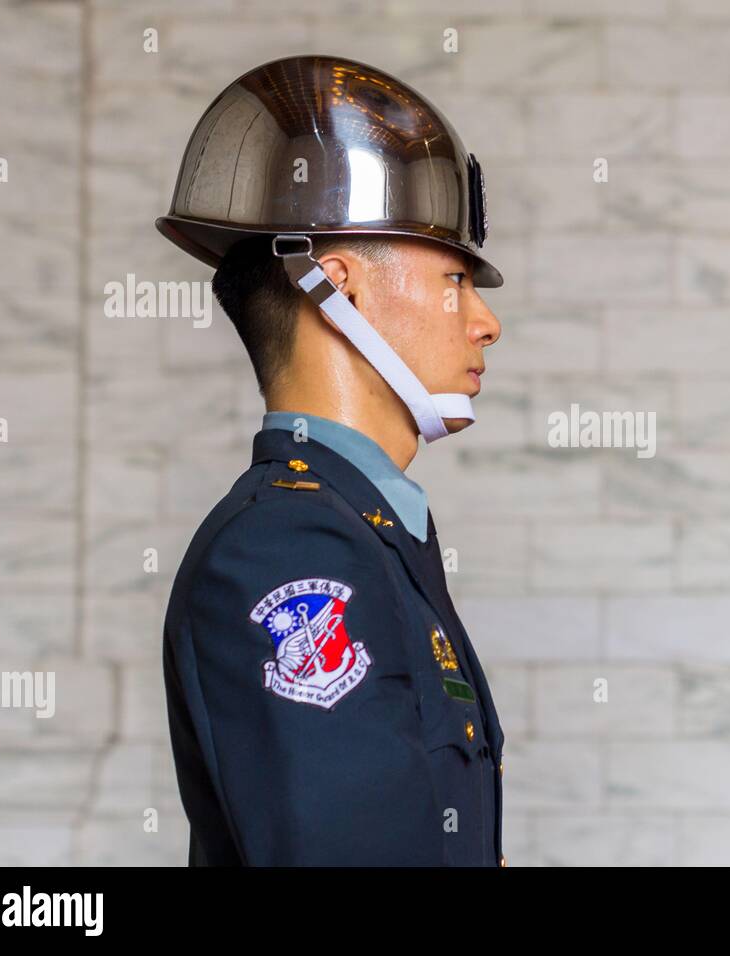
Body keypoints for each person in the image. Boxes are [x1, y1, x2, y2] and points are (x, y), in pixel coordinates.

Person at [156, 55, 506, 866]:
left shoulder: (363, 529)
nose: (486, 323)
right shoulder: (290, 549)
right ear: (337, 288)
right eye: (456, 278)